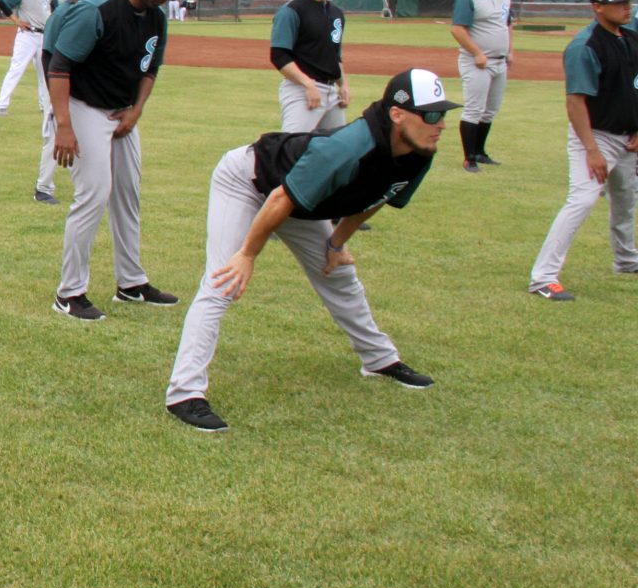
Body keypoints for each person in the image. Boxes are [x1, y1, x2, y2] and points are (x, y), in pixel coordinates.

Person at [164, 69, 450, 431]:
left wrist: (336, 243)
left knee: (341, 277)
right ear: (397, 115)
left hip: (299, 200)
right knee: (224, 280)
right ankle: (184, 394)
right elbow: (281, 196)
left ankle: (379, 359)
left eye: (443, 114)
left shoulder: (419, 152)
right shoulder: (349, 147)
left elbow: (378, 196)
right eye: (432, 115)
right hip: (248, 182)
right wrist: (248, 254)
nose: (440, 124)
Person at [47, 0, 186, 319]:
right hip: (82, 104)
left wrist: (136, 110)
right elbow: (58, 67)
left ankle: (131, 283)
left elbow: (150, 69)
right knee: (93, 194)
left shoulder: (157, 19)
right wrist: (63, 125)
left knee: (127, 194)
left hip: (121, 110)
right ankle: (69, 293)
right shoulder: (98, 10)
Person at [527, 0, 638, 301]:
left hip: (628, 138)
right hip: (596, 136)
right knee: (583, 200)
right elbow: (575, 102)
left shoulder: (630, 38)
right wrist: (591, 150)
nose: (626, 7)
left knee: (626, 201)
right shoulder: (585, 47)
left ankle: (627, 260)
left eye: (628, 1)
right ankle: (543, 277)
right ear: (597, 6)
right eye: (619, 3)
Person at [33, 0, 95, 205]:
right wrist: (52, 97)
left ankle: (89, 185)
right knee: (55, 137)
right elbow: (47, 55)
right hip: (59, 84)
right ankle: (43, 188)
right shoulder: (61, 15)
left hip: (84, 86)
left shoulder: (92, 11)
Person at [270, 0, 350, 132]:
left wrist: (343, 84)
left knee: (337, 152)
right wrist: (307, 84)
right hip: (302, 90)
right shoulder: (291, 11)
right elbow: (279, 56)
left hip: (331, 93)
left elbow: (334, 56)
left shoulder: (336, 13)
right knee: (291, 148)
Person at [450, 0, 514, 172]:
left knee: (490, 109)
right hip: (477, 62)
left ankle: (480, 151)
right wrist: (477, 52)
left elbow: (507, 25)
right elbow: (457, 29)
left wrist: (510, 51)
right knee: (474, 109)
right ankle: (469, 158)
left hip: (499, 61)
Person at [0, 0, 58, 117]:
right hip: (27, 36)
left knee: (45, 73)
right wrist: (16, 20)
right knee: (16, 69)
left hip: (44, 36)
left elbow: (57, 9)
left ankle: (45, 105)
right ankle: (1, 104)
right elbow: (2, 2)